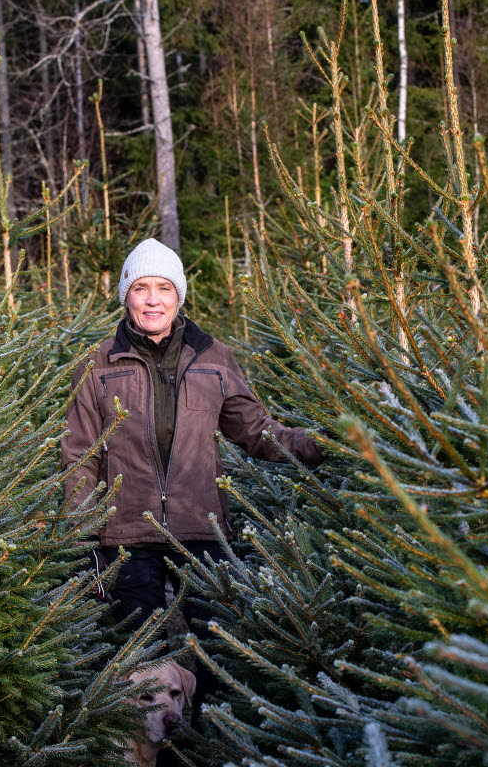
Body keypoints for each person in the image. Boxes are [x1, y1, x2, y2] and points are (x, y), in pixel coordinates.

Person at [61, 238, 325, 741]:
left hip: (202, 528)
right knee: (132, 656)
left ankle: (210, 743)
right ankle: (139, 749)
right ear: (126, 297)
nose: (153, 299)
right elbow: (80, 454)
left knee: (215, 650)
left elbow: (255, 431)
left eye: (164, 287)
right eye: (142, 288)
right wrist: (81, 534)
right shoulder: (98, 363)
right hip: (125, 534)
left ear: (180, 296)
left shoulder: (214, 357)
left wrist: (317, 445)